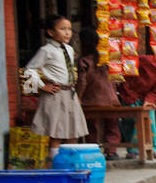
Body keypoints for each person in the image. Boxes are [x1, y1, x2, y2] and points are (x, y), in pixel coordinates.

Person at [23, 15, 88, 154]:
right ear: (51, 32)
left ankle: (71, 164)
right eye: (62, 29)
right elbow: (29, 69)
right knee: (57, 132)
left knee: (73, 131)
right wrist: (41, 86)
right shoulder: (46, 50)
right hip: (55, 94)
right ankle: (56, 164)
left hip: (70, 93)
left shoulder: (69, 49)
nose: (67, 32)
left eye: (69, 29)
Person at [75, 27, 121, 159]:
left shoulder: (84, 61)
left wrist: (78, 98)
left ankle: (93, 151)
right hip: (112, 100)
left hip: (91, 101)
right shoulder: (106, 59)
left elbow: (82, 82)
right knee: (112, 126)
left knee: (91, 127)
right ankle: (112, 151)